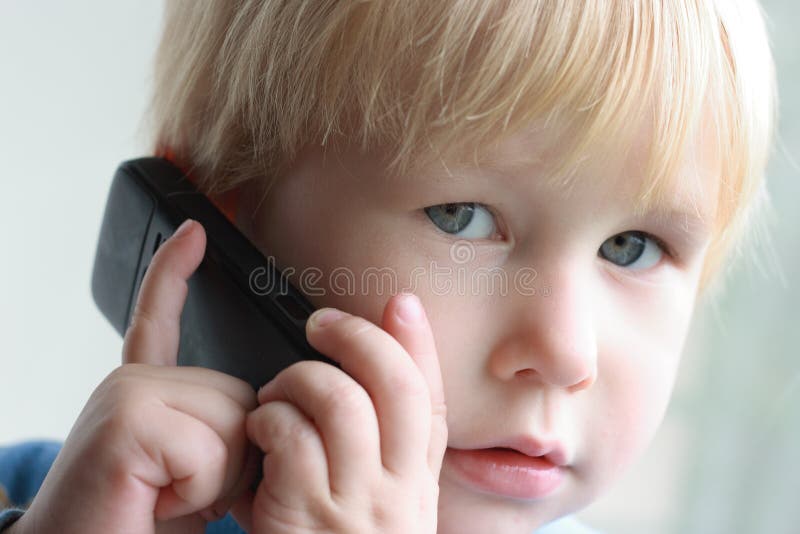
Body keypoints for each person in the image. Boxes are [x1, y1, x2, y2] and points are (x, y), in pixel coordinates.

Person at [0, 1, 777, 532]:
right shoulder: (61, 502)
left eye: (631, 247)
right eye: (462, 218)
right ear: (221, 227)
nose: (565, 353)